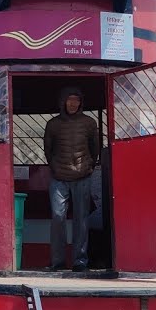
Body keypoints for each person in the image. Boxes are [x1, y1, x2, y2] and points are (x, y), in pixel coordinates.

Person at [42, 86, 99, 271]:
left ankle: (80, 261)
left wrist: (89, 166)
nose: (73, 103)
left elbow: (95, 148)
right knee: (58, 216)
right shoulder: (53, 124)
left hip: (83, 175)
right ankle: (57, 261)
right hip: (59, 177)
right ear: (63, 102)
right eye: (70, 99)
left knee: (81, 219)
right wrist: (55, 167)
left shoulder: (89, 123)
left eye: (76, 100)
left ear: (81, 102)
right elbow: (48, 149)